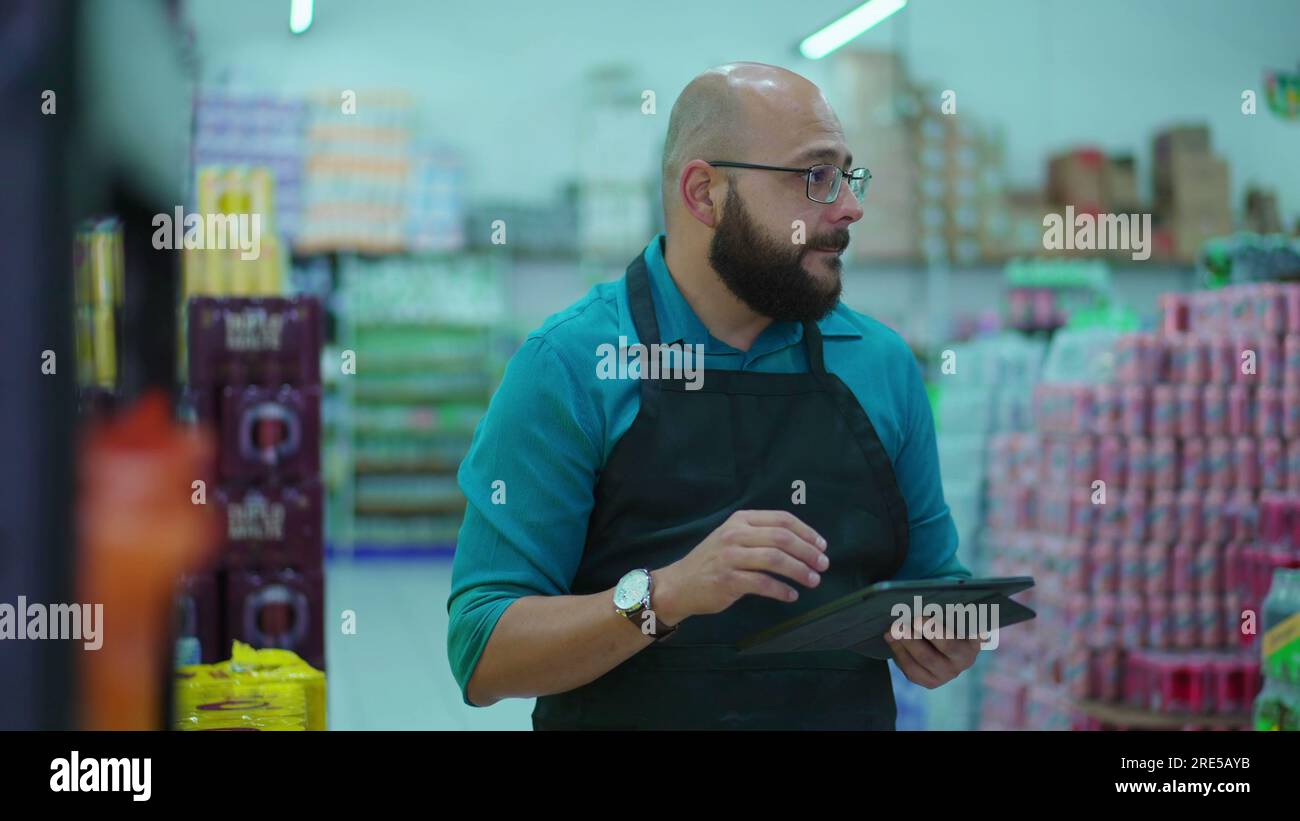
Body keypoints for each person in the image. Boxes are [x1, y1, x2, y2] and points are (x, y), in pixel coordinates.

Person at [447, 61, 977, 730]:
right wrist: (666, 593)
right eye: (815, 175)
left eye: (847, 173)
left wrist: (951, 627)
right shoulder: (572, 366)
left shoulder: (880, 365)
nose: (849, 206)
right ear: (706, 193)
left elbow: (941, 579)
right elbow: (483, 649)